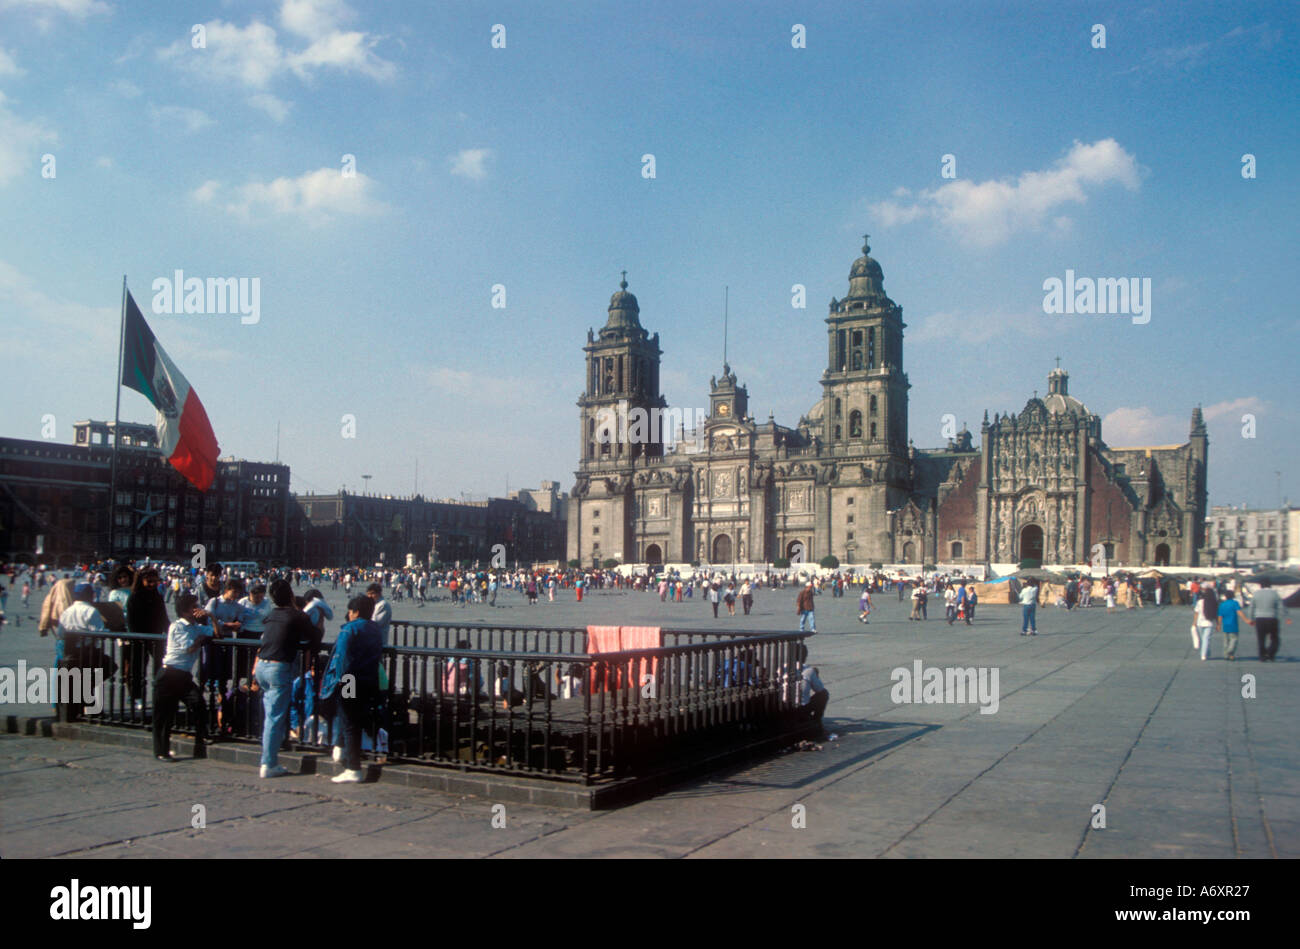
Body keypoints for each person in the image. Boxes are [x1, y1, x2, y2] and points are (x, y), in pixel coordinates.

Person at [254, 579, 317, 778]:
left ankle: (272, 754)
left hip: (261, 667)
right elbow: (314, 636)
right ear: (291, 595)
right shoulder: (296, 615)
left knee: (270, 715)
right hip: (278, 667)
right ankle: (268, 763)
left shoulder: (271, 615)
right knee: (274, 717)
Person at [319, 596, 383, 784]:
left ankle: (353, 767)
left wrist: (339, 681)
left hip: (350, 680)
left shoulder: (349, 629)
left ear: (354, 612)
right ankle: (339, 747)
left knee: (349, 720)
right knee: (353, 717)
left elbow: (342, 657)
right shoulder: (375, 629)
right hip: (369, 679)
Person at [154, 594, 219, 761]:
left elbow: (218, 633)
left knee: (198, 703)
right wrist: (202, 638)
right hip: (170, 674)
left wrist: (211, 616)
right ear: (184, 611)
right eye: (193, 607)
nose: (197, 609)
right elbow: (189, 647)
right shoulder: (177, 627)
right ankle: (161, 751)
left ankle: (201, 737)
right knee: (165, 715)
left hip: (183, 675)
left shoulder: (195, 627)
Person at [790, 643, 830, 739]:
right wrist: (816, 676)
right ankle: (817, 721)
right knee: (824, 694)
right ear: (804, 656)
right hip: (801, 708)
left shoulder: (781, 668)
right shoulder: (809, 670)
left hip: (785, 708)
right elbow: (819, 689)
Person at [1245, 578, 1290, 662]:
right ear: (1270, 585)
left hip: (1259, 619)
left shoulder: (1256, 594)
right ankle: (1270, 653)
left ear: (1260, 586)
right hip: (1272, 618)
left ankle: (1262, 656)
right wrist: (1286, 617)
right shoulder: (1275, 594)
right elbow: (1281, 606)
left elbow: (1251, 607)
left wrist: (1251, 619)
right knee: (1275, 638)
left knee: (1261, 639)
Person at [1193, 583, 1218, 661]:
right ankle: (1205, 654)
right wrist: (1218, 624)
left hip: (1200, 623)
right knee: (1206, 639)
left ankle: (1204, 653)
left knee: (1203, 639)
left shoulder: (1200, 602)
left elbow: (1196, 613)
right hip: (1209, 623)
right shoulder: (1213, 603)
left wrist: (1194, 622)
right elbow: (1216, 614)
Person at [1217, 588, 1243, 661]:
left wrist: (1218, 625)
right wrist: (1246, 620)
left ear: (1226, 596)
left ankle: (1228, 655)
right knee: (1234, 639)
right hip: (1233, 624)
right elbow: (1239, 612)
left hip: (1225, 625)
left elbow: (1220, 616)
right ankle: (1229, 652)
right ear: (1233, 596)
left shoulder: (1222, 604)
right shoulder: (1235, 603)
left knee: (1226, 641)